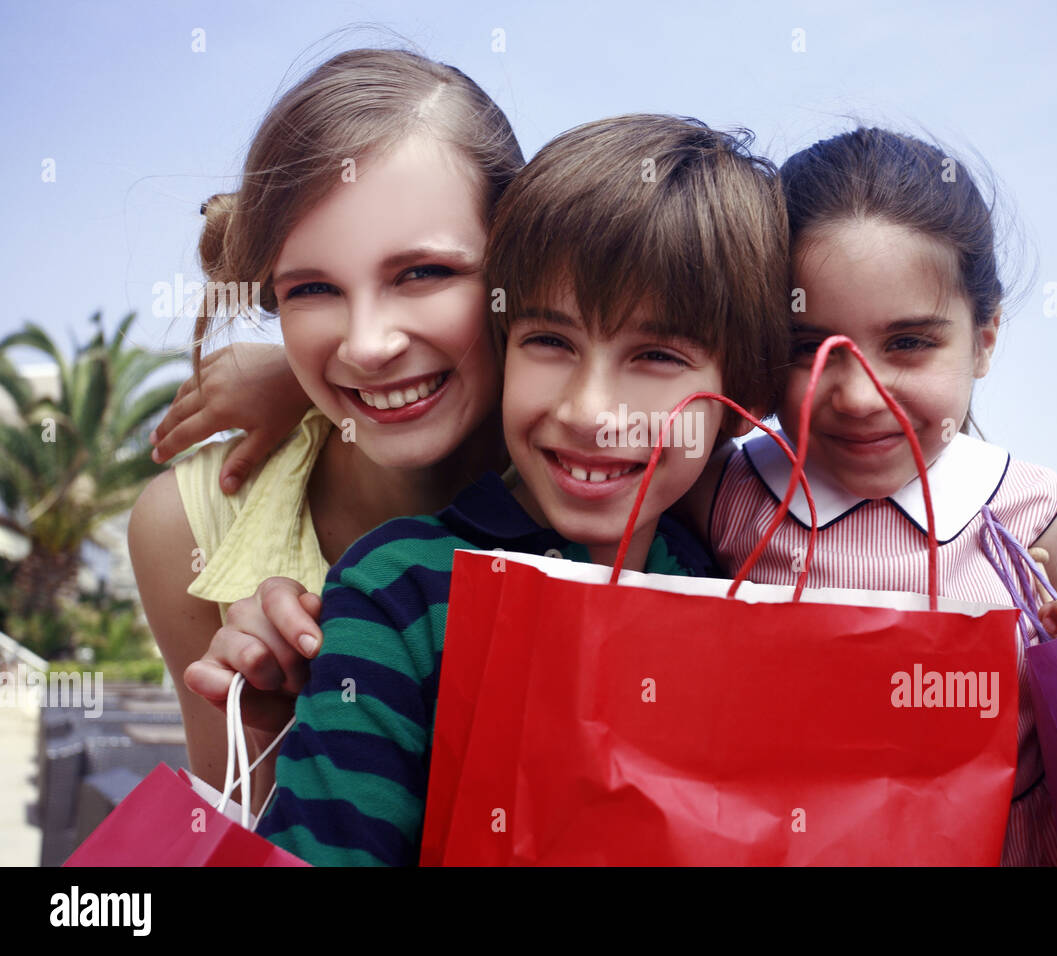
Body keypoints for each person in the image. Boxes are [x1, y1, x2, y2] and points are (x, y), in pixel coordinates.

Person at [252, 113, 791, 865]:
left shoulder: (724, 581)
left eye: (659, 356)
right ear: (502, 347)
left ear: (749, 390)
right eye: (550, 342)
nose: (588, 411)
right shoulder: (400, 596)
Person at [689, 126, 1057, 865]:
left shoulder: (1036, 510)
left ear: (985, 339)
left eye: (908, 344)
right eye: (810, 347)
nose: (861, 397)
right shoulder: (725, 492)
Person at [127, 48, 525, 812]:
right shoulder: (186, 525)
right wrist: (276, 726)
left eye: (423, 274)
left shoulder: (617, 471)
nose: (368, 344)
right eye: (313, 289)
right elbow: (235, 834)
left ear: (521, 260)